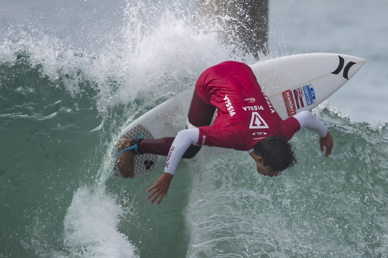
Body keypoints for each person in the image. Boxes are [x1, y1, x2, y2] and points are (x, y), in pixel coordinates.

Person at [116, 60, 334, 204]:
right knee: (191, 150)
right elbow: (184, 137)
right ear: (260, 159)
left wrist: (325, 134)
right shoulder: (234, 136)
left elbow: (306, 117)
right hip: (211, 79)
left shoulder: (281, 132)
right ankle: (132, 146)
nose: (275, 175)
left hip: (241, 69)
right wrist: (167, 175)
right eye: (274, 170)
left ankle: (223, 109)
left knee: (228, 114)